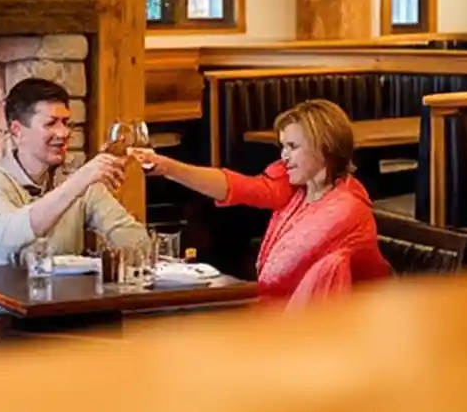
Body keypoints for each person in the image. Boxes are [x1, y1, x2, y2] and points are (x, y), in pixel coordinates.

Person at [131, 99, 390, 310]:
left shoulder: (344, 207)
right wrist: (166, 167)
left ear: (324, 147)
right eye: (282, 146)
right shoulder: (299, 190)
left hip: (348, 332)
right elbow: (239, 187)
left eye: (292, 146)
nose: (283, 156)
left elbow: (274, 274)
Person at [0, 78, 149, 348]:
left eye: (66, 122)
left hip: (65, 310)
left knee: (118, 334)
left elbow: (134, 238)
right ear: (18, 131)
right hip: (1, 319)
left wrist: (121, 253)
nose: (63, 133)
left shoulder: (79, 182)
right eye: (51, 123)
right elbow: (8, 235)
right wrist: (77, 183)